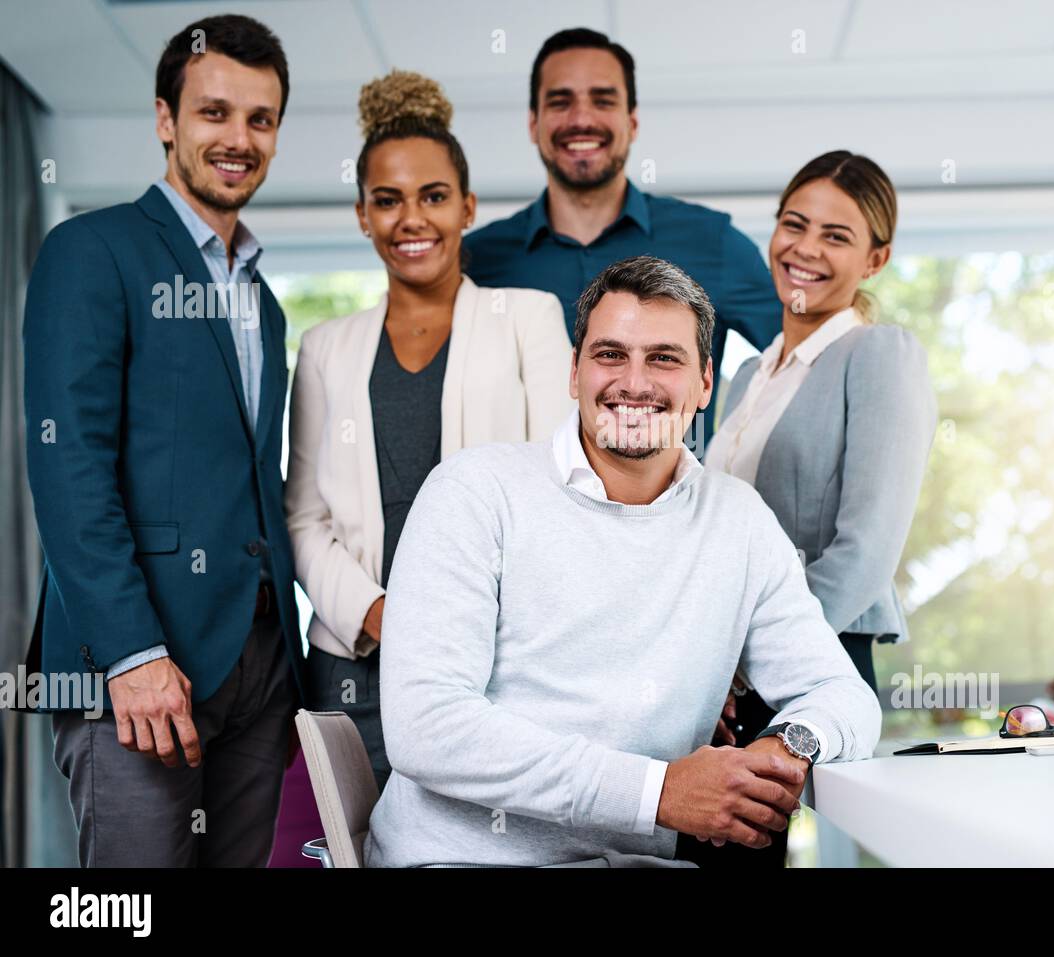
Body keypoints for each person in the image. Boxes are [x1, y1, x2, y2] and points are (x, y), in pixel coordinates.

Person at [363, 255, 880, 868]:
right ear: (574, 372)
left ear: (705, 383)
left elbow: (841, 693)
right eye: (610, 354)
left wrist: (786, 746)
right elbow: (429, 727)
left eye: (664, 358)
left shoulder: (739, 520)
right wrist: (658, 792)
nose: (634, 383)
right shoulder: (474, 491)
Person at [23, 15, 303, 867]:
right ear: (164, 119)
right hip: (138, 669)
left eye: (260, 119)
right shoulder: (92, 250)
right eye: (215, 112)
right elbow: (67, 461)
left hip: (256, 668)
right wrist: (131, 653)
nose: (239, 138)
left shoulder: (265, 301)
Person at [285, 71, 573, 792]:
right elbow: (303, 516)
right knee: (361, 846)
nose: (411, 219)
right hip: (355, 668)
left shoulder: (528, 319)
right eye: (388, 200)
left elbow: (565, 482)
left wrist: (466, 621)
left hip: (497, 659)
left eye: (433, 196)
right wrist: (380, 614)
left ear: (467, 206)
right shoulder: (324, 347)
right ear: (362, 215)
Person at [694, 150, 938, 866]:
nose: (805, 249)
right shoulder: (745, 374)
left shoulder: (879, 355)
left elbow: (865, 552)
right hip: (725, 676)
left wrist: (747, 664)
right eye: (794, 225)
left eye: (836, 235)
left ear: (876, 258)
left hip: (816, 659)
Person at [463, 27, 781, 453]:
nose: (581, 118)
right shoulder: (479, 260)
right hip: (522, 513)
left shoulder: (712, 241)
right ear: (533, 123)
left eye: (603, 100)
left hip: (674, 513)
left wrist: (740, 457)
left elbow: (802, 362)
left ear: (631, 121)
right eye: (560, 101)